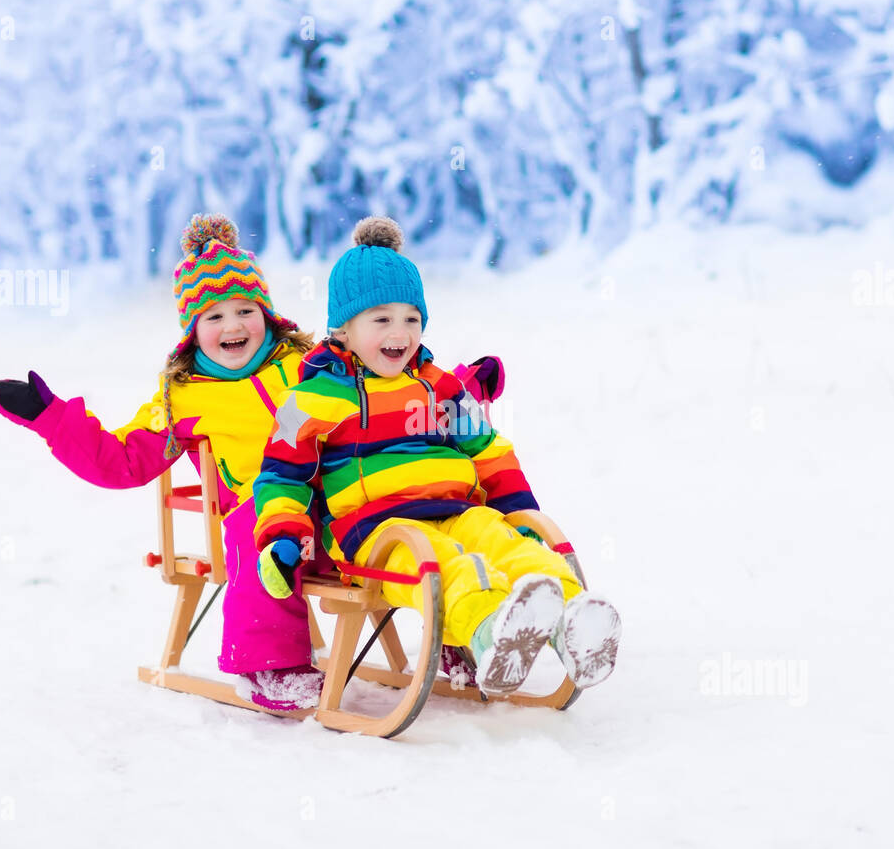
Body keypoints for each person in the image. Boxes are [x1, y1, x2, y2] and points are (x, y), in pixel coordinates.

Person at [253, 216, 621, 696]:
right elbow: (282, 475)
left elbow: (488, 450)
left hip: (456, 509)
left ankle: (573, 625)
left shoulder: (440, 387)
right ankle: (489, 632)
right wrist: (282, 538)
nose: (400, 332)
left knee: (508, 544)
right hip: (375, 531)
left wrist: (517, 514)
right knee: (445, 563)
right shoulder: (313, 398)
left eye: (411, 318)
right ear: (342, 330)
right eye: (381, 319)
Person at [0, 213, 328, 710]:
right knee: (255, 523)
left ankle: (460, 635)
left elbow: (375, 390)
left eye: (245, 310)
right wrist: (52, 419)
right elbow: (121, 461)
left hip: (334, 499)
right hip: (264, 519)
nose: (232, 326)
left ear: (268, 315)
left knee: (418, 496)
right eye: (214, 317)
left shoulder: (308, 366)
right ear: (193, 332)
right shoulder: (183, 400)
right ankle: (269, 665)